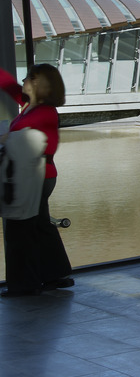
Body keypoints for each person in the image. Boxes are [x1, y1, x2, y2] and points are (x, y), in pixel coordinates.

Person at [0, 64, 69, 296]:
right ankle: (55, 274)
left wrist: (8, 139)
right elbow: (9, 86)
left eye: (28, 78)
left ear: (39, 84)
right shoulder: (31, 106)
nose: (23, 81)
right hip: (35, 177)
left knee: (19, 230)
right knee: (39, 226)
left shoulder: (44, 112)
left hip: (35, 178)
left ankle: (25, 284)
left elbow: (46, 145)